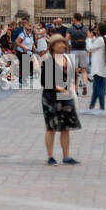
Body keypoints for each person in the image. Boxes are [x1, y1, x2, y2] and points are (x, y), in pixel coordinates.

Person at [41, 35, 81, 165]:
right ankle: (50, 156)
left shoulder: (68, 59)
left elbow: (74, 74)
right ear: (52, 46)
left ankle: (66, 156)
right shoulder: (48, 61)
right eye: (59, 43)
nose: (63, 45)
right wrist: (61, 88)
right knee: (51, 127)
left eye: (63, 43)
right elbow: (45, 82)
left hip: (66, 97)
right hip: (51, 98)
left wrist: (73, 86)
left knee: (66, 128)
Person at [84, 23, 106, 115]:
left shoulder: (100, 39)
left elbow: (89, 48)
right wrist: (92, 38)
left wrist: (88, 39)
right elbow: (98, 43)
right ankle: (91, 107)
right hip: (104, 67)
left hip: (98, 67)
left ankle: (102, 108)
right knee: (96, 88)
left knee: (99, 89)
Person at [68, 13, 90, 95]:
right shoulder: (85, 28)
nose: (72, 19)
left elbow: (66, 39)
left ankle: (76, 90)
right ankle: (84, 85)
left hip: (74, 50)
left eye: (73, 18)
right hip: (83, 50)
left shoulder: (70, 29)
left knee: (75, 71)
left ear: (75, 19)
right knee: (84, 70)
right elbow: (89, 37)